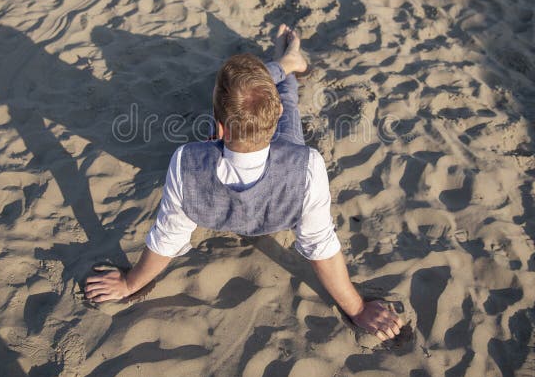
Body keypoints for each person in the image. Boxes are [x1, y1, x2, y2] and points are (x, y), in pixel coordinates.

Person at [85, 25, 404, 341]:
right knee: (284, 97)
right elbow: (320, 246)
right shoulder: (306, 165)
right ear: (274, 113)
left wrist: (129, 284)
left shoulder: (186, 161)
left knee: (236, 92)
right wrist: (357, 308)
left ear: (220, 130)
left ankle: (285, 63)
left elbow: (166, 238)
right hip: (276, 169)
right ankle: (289, 64)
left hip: (226, 151)